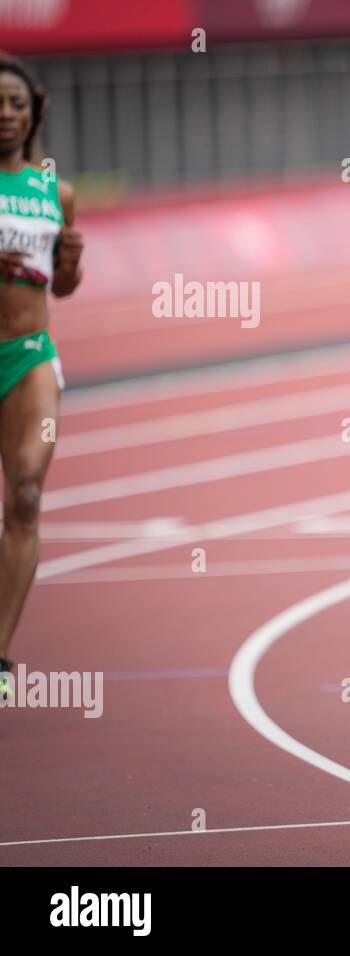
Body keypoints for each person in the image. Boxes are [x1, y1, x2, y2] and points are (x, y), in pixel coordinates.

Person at [0, 53, 83, 698]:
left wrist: (72, 263)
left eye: (17, 105)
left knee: (25, 496)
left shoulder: (56, 191)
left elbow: (64, 284)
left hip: (29, 354)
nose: (6, 115)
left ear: (34, 115)